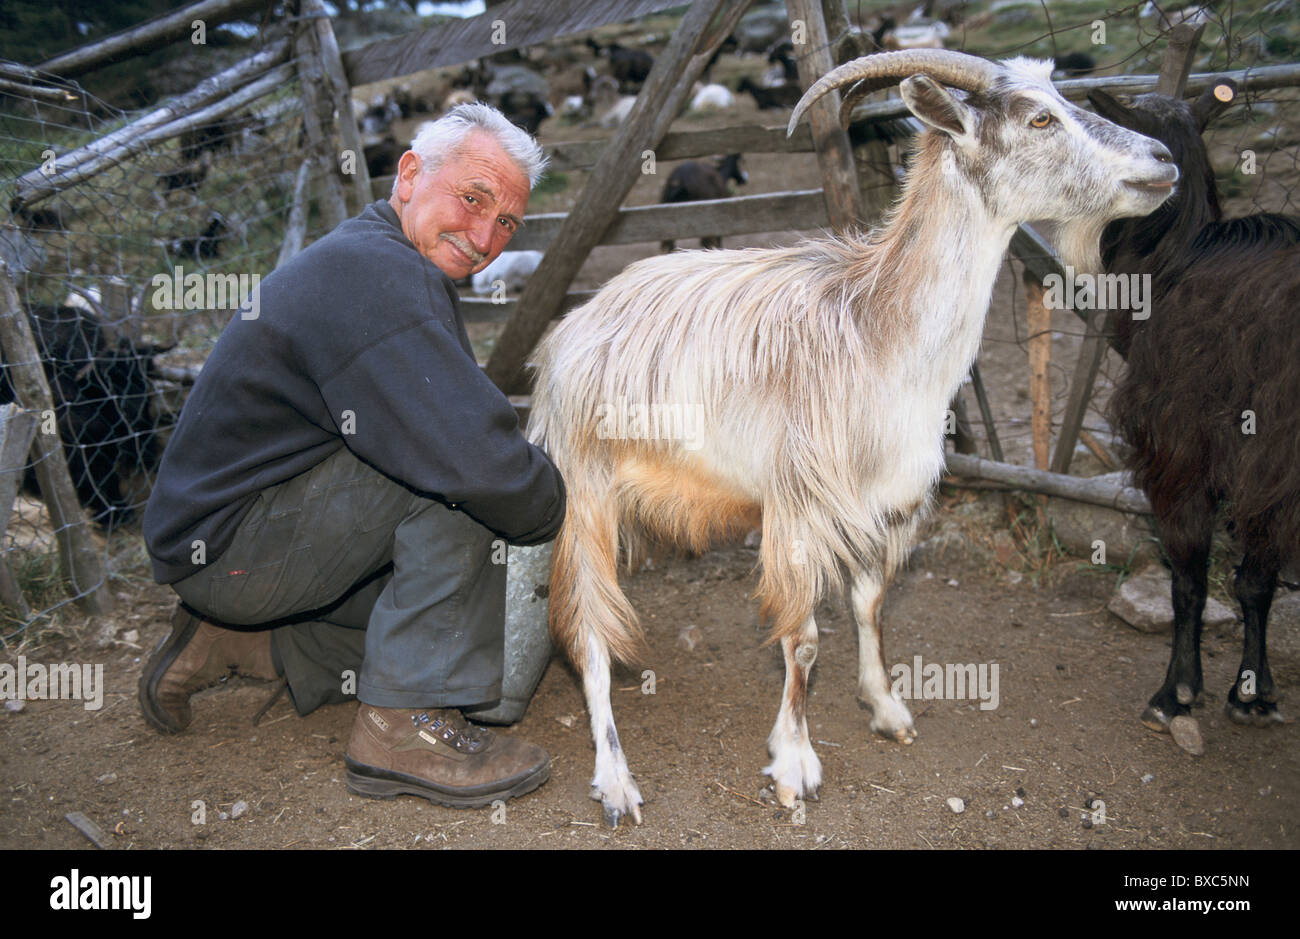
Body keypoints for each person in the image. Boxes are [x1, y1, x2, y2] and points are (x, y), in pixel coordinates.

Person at [138, 103, 566, 809]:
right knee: (462, 484)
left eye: (507, 224)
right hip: (233, 549)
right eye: (472, 199)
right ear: (409, 175)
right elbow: (477, 458)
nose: (485, 237)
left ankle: (242, 643)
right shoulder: (380, 275)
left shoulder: (375, 257)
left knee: (450, 610)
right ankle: (402, 729)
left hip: (219, 548)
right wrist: (558, 503)